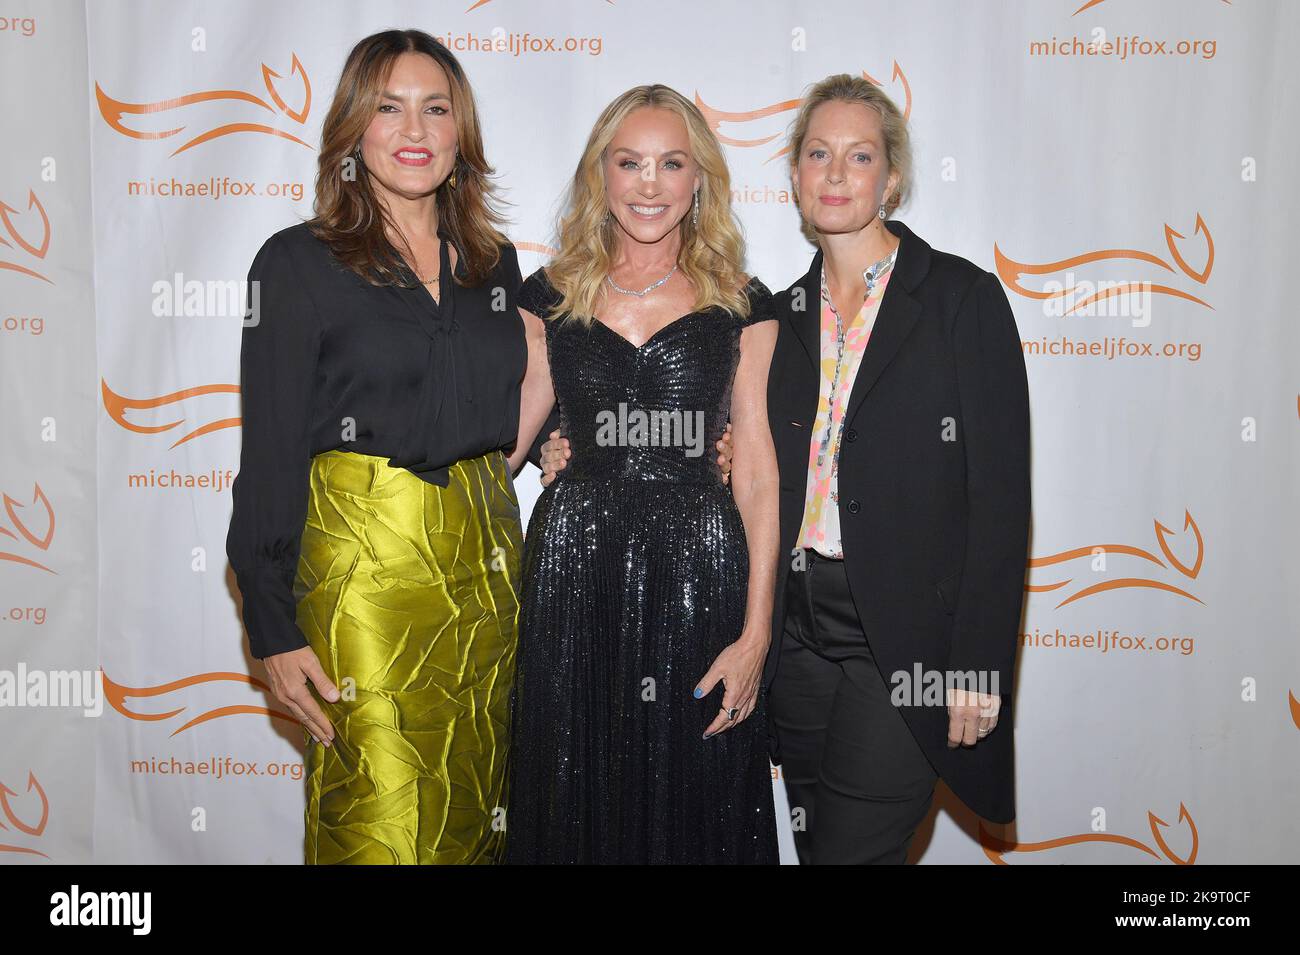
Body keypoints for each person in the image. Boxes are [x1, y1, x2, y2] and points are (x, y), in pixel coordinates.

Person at [539, 74, 1031, 864]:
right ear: (795, 176)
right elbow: (741, 450)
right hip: (797, 639)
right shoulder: (778, 313)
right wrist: (560, 445)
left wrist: (976, 663)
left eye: (859, 156)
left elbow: (1000, 500)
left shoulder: (960, 300)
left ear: (892, 178)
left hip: (900, 640)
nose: (836, 174)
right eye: (818, 154)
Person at [227, 30, 530, 864]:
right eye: (389, 106)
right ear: (354, 129)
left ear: (460, 132)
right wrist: (272, 627)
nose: (415, 128)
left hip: (487, 573)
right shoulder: (297, 264)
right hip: (366, 577)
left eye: (437, 108)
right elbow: (272, 454)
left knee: (476, 806)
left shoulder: (492, 265)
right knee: (384, 817)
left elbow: (507, 401)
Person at [505, 85, 781, 863]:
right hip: (572, 569)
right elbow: (507, 438)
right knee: (573, 780)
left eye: (671, 164)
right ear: (602, 174)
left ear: (700, 181)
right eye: (629, 163)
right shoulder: (549, 295)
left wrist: (757, 632)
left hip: (700, 570)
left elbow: (756, 472)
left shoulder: (742, 304)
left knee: (697, 787)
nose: (649, 184)